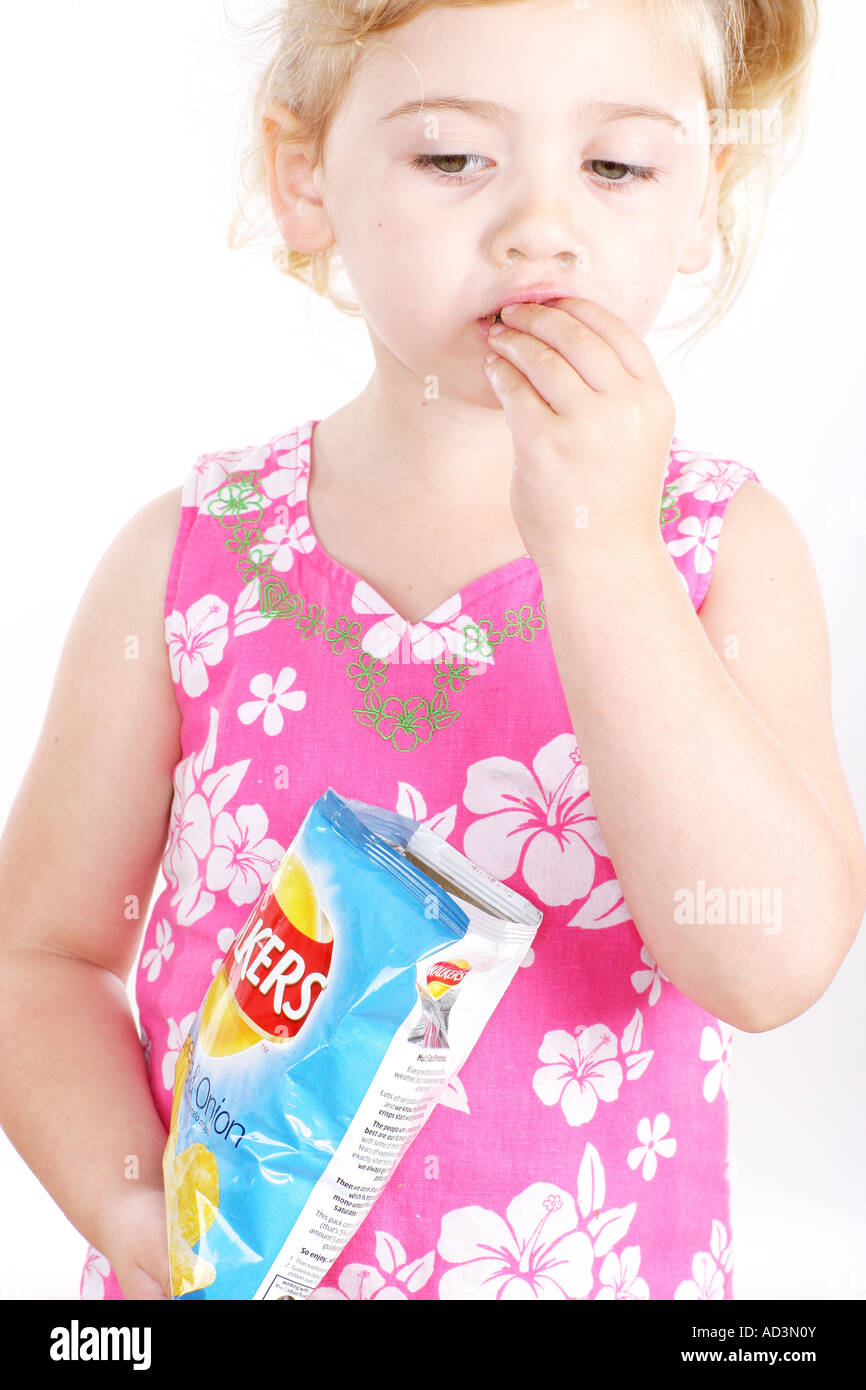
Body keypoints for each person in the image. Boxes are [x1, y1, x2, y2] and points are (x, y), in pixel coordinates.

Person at [0, 0, 863, 1302]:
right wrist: (140, 1218)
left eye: (615, 166)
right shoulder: (190, 556)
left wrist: (602, 555)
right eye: (453, 157)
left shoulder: (712, 553)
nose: (538, 227)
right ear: (305, 176)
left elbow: (766, 961)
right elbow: (41, 954)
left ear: (701, 200)